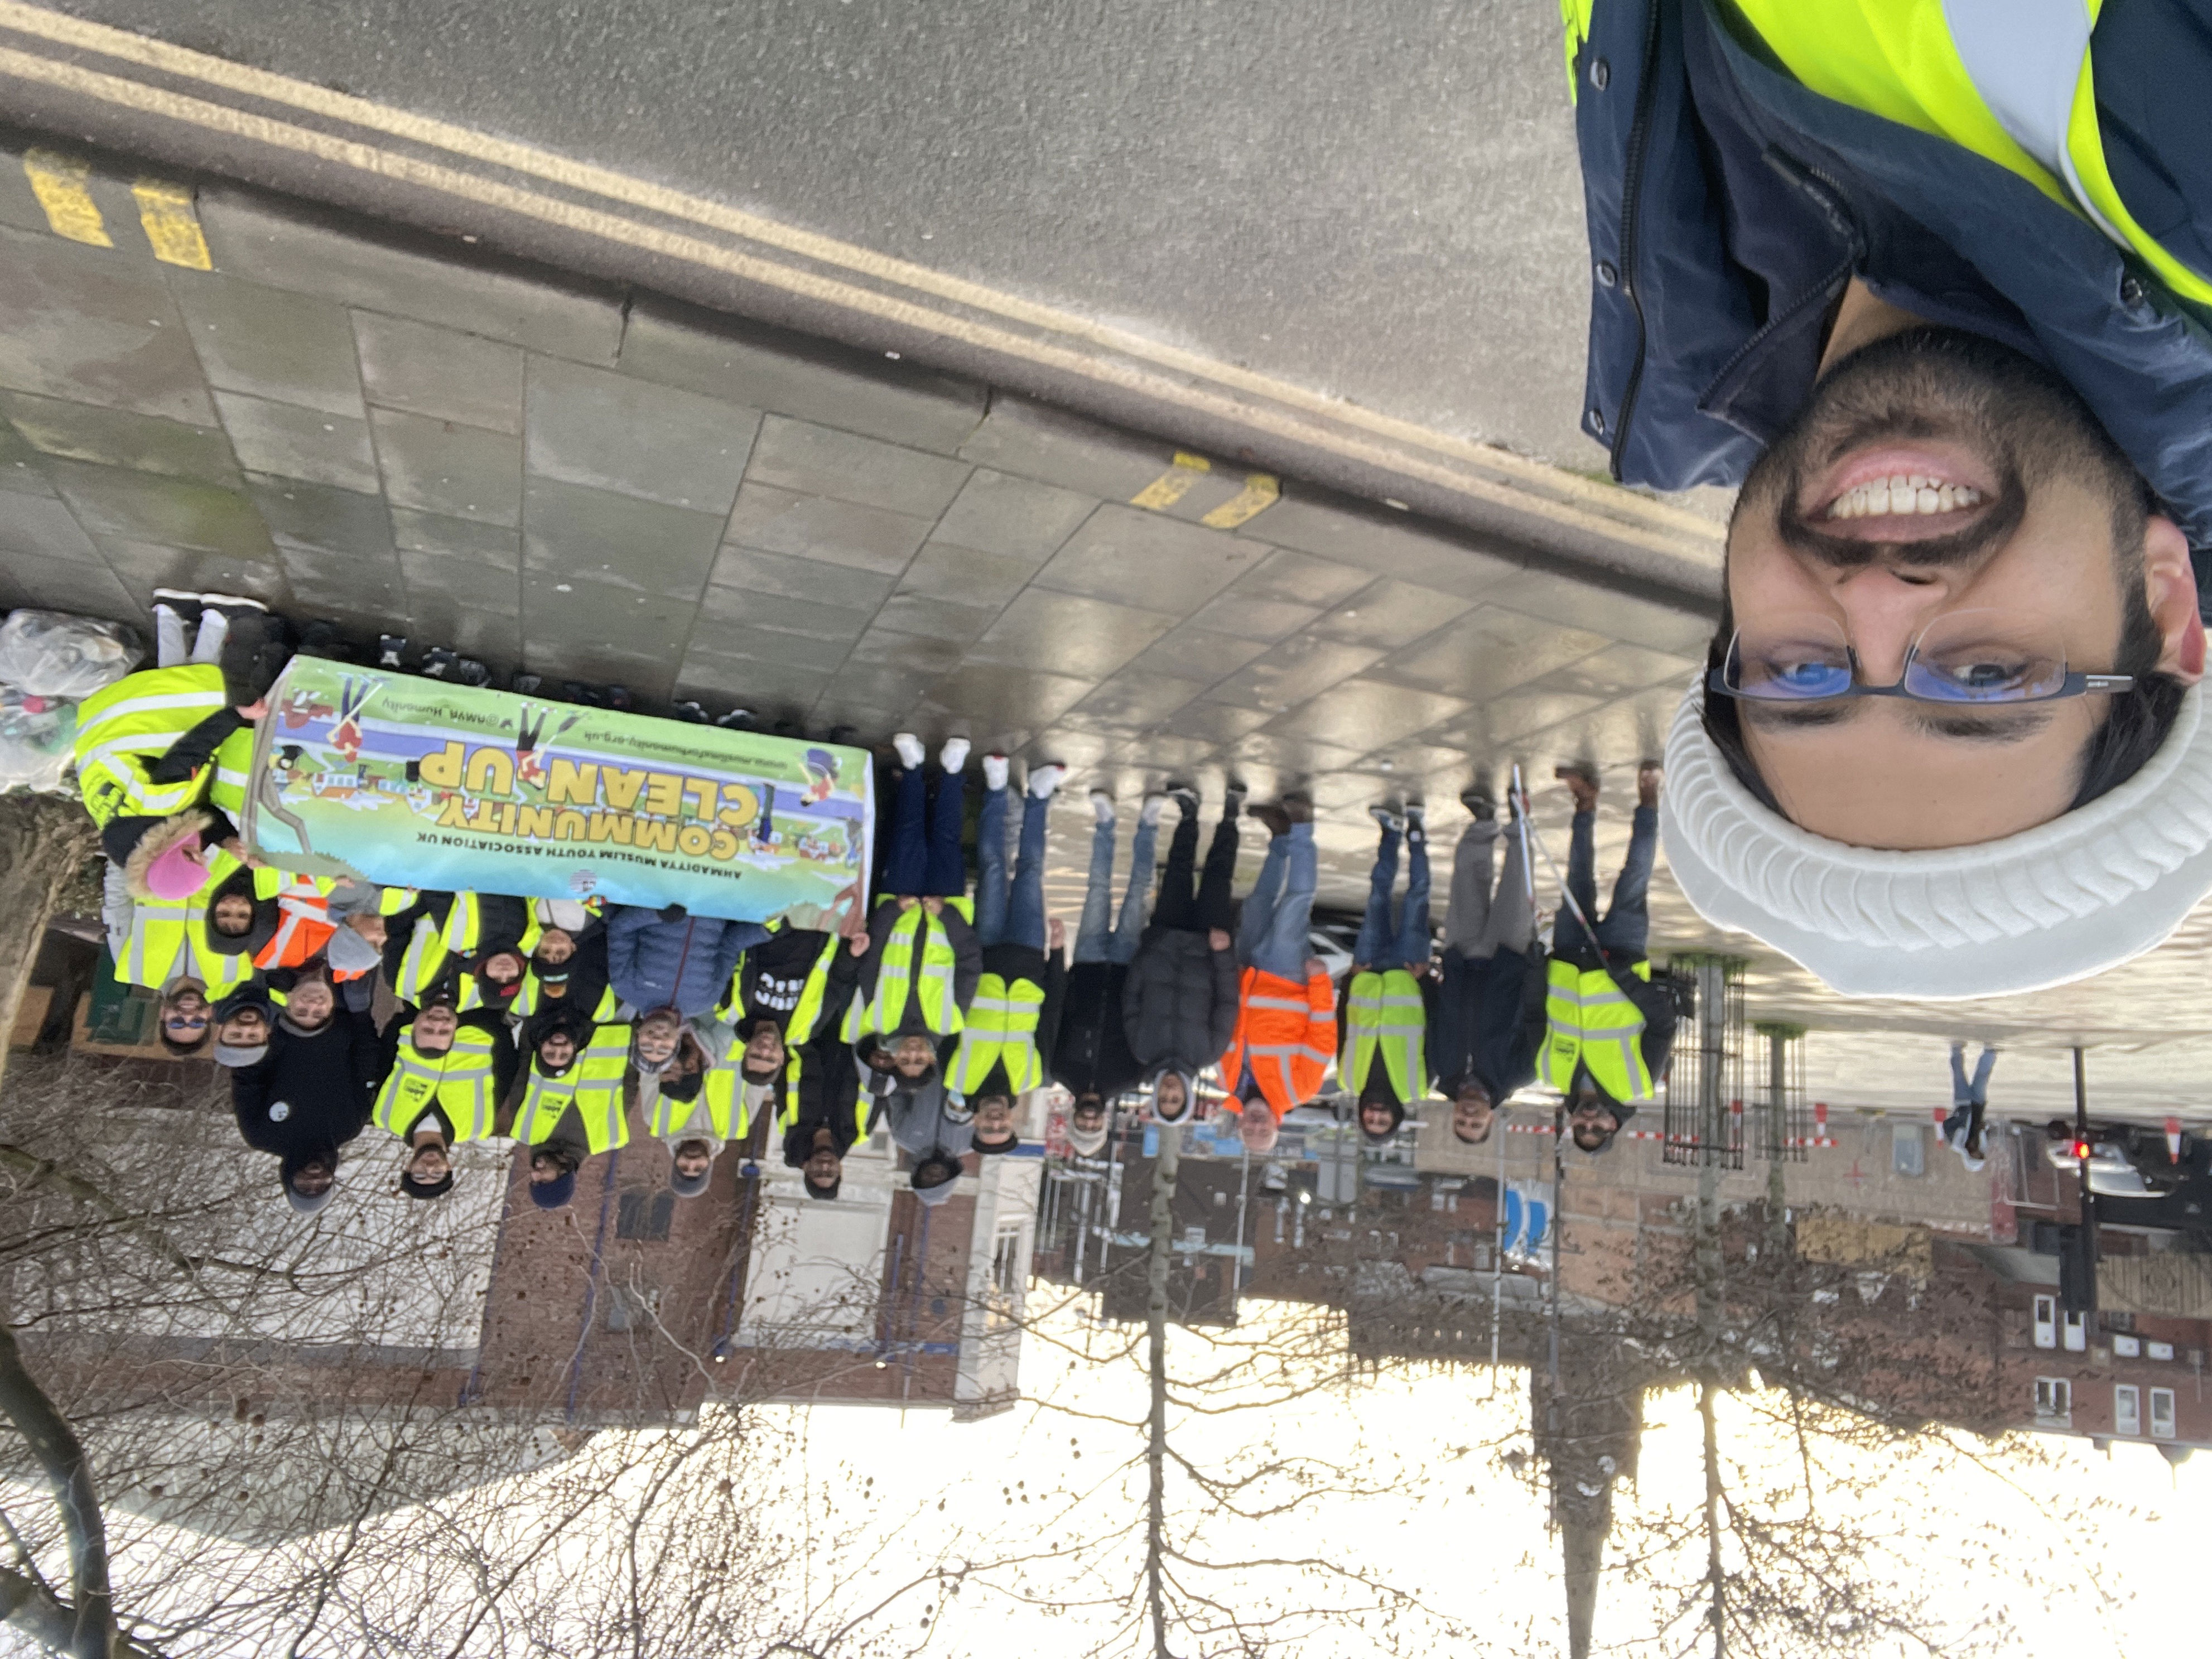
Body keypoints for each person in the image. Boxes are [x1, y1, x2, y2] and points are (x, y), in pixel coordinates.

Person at [1566, 1, 2212, 996]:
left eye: (1801, 676)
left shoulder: (1671, 361)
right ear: (2167, 605)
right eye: (1989, 677)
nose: (1873, 600)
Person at [1536, 765, 1678, 1155]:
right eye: (1597, 1129)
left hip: (1568, 956)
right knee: (1634, 878)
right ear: (1613, 1124)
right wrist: (1625, 979)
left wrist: (1539, 968)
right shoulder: (1638, 1083)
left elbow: (1536, 1016)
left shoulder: (1552, 1073)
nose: (1588, 1121)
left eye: (1580, 1128)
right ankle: (1648, 797)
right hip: (1621, 956)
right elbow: (1663, 1025)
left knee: (1577, 877)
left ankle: (1585, 801)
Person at [841, 734, 982, 1074]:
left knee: (908, 835)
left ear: (895, 1057)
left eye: (906, 1061)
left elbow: (872, 959)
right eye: (920, 1061)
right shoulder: (952, 1022)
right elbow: (969, 962)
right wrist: (946, 915)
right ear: (933, 1059)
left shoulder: (879, 1018)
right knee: (947, 840)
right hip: (944, 908)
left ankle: (913, 769)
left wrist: (893, 911)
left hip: (900, 905)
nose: (913, 1054)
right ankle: (952, 774)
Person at [951, 757, 1067, 1156]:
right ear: (1013, 1122)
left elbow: (947, 1008)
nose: (996, 1120)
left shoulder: (953, 1075)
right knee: (1031, 871)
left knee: (992, 869)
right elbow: (1051, 1015)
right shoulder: (1033, 1076)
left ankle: (997, 791)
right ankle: (1039, 796)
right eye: (1002, 1127)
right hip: (1028, 957)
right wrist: (1057, 955)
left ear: (975, 1121)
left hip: (981, 954)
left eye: (988, 1127)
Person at [1431, 788, 1548, 1147]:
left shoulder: (1440, 1071)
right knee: (1517, 881)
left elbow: (1433, 1018)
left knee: (1465, 879)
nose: (1468, 1116)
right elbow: (1537, 1016)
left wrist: (1429, 981)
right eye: (1476, 1123)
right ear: (1491, 1118)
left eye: (1461, 1122)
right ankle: (1518, 821)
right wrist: (1536, 970)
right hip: (1508, 961)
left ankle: (1482, 822)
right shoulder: (1519, 1075)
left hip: (1461, 962)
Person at [1218, 795, 1334, 1153]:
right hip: (1287, 980)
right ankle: (1302, 826)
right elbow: (1322, 1039)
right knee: (1294, 905)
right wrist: (1319, 983)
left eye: (1249, 1131)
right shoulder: (1300, 1090)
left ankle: (1280, 837)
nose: (1256, 1125)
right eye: (1263, 1130)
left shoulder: (1227, 1083)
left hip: (1246, 977)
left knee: (1257, 905)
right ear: (1276, 1124)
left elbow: (1221, 1026)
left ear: (1240, 1123)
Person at [1125, 784, 1242, 1130]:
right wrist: (1223, 955)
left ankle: (1188, 814)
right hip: (1208, 947)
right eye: (1176, 1100)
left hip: (1166, 940)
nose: (1170, 1093)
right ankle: (1230, 816)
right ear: (1187, 1096)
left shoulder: (1142, 1049)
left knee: (1177, 872)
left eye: (1164, 1099)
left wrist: (1147, 955)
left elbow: (1131, 997)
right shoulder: (1208, 1052)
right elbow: (1227, 1001)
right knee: (1218, 877)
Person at [1050, 785, 1159, 1150]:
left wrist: (1063, 974)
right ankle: (1148, 823)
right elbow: (1143, 1028)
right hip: (1127, 970)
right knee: (1138, 891)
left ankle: (1105, 822)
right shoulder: (1129, 1077)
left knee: (1097, 888)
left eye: (1082, 1124)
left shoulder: (1060, 1069)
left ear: (1072, 1118)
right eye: (1094, 1126)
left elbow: (1057, 1016)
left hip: (1086, 964)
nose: (1089, 1119)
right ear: (1105, 1122)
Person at [224, 972, 380, 1212]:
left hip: (283, 1009)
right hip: (340, 1008)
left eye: (305, 1186)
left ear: (289, 1179)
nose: (314, 1180)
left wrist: (280, 1028)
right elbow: (365, 1064)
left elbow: (247, 1075)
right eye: (322, 1186)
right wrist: (360, 1013)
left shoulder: (262, 1135)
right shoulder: (349, 1127)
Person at [1338, 802, 1435, 1144]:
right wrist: (1429, 983)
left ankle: (1390, 832)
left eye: (1371, 1120)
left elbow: (1342, 1028)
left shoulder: (1348, 1079)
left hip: (1367, 973)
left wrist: (1350, 980)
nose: (1376, 1114)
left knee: (1377, 897)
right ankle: (1417, 831)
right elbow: (1435, 1032)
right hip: (1409, 976)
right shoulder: (1418, 1085)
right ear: (1395, 1117)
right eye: (1383, 1121)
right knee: (1416, 899)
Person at [372, 998, 517, 1200]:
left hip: (425, 1011)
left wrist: (409, 1020)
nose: (430, 1168)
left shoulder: (386, 1117)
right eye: (437, 1174)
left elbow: (385, 1059)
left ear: (408, 1167)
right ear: (449, 1167)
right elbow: (505, 1071)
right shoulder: (477, 1126)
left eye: (420, 1174)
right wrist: (494, 1026)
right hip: (482, 1011)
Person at [511, 1007, 633, 1211]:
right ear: (563, 1177)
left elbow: (524, 1062)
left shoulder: (523, 1128)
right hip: (614, 1024)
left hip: (558, 1018)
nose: (534, 1174)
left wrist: (535, 1021)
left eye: (533, 1180)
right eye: (543, 1181)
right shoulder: (609, 1137)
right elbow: (629, 1082)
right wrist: (634, 1032)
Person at [606, 901, 765, 1020]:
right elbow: (730, 946)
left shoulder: (625, 987)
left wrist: (656, 914)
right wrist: (763, 932)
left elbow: (620, 928)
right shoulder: (706, 1001)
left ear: (639, 1035)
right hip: (717, 900)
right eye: (664, 1049)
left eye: (647, 1046)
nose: (657, 1040)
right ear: (676, 1042)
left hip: (667, 890)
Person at [780, 1025, 869, 1200]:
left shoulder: (791, 1124)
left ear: (806, 1168)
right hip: (859, 1037)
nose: (825, 1166)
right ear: (840, 1170)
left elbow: (783, 1079)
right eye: (830, 1173)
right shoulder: (858, 1130)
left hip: (811, 1032)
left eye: (818, 1172)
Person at [1944, 1041, 1997, 1171]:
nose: (1979, 1154)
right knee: (1982, 1078)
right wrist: (1985, 1127)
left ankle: (1956, 1051)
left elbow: (1947, 1125)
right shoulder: (1982, 1143)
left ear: (1970, 1157)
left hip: (1963, 1103)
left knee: (1959, 1075)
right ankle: (1989, 1053)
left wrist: (1959, 1117)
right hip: (1978, 1105)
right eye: (1981, 1156)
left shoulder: (1956, 1143)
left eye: (1977, 1157)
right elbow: (1986, 1129)